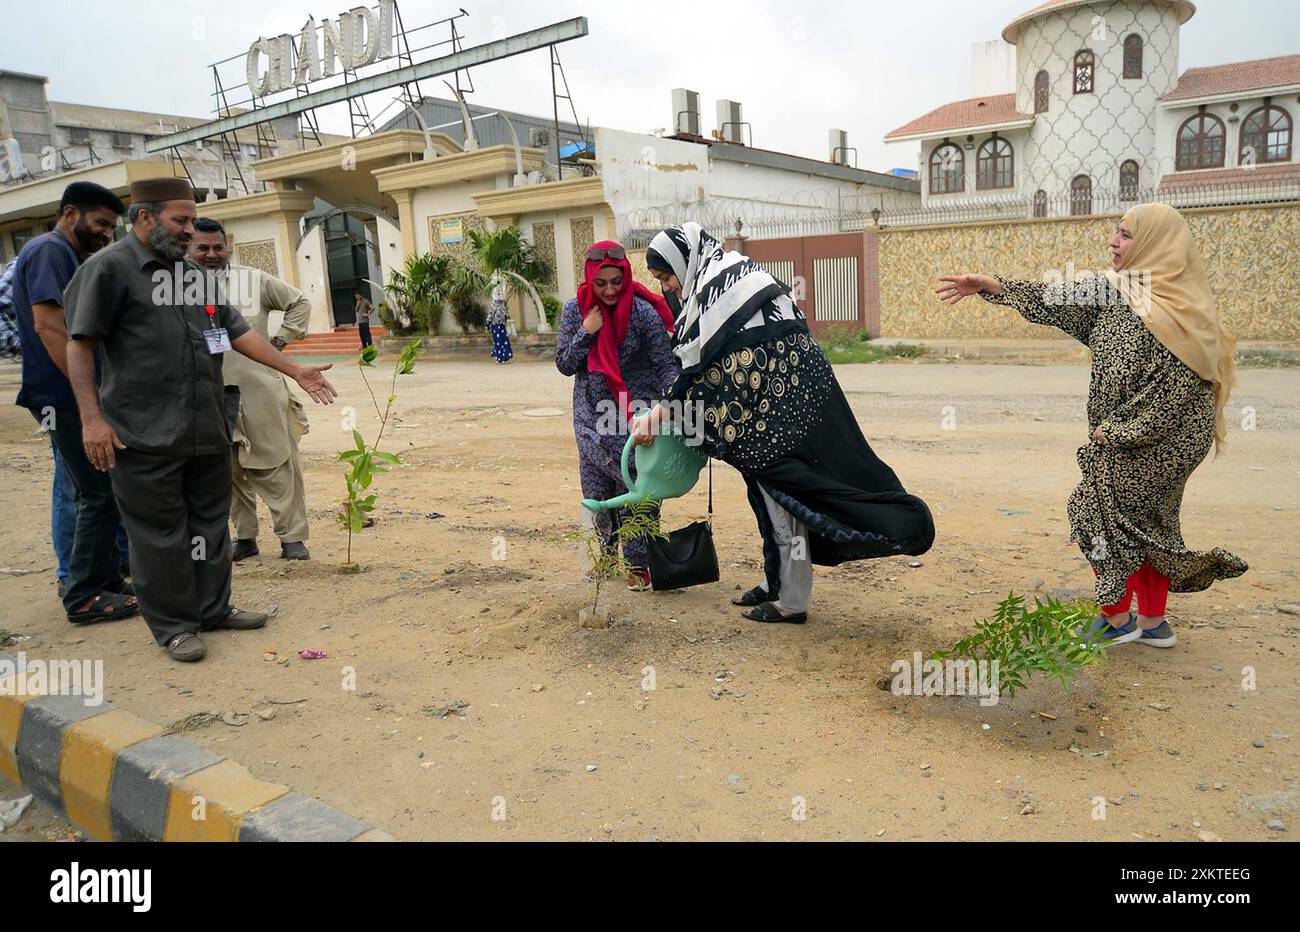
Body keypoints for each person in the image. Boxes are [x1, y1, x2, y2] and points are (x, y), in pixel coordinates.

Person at [936, 202, 1247, 648]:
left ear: (1156, 244)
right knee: (1146, 526)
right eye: (1115, 233)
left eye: (1124, 235)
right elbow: (1052, 298)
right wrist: (992, 286)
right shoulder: (1112, 292)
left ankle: (1117, 619)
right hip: (1123, 436)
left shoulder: (1185, 310)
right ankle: (1153, 624)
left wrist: (1117, 432)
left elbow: (1180, 394)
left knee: (1094, 515)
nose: (1113, 242)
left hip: (1163, 443)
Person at [62, 177, 337, 663]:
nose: (190, 231)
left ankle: (213, 609)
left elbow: (235, 332)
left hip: (206, 424)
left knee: (209, 525)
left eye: (192, 220)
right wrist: (91, 419)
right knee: (159, 535)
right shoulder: (108, 270)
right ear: (145, 218)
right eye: (181, 220)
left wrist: (295, 369)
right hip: (143, 432)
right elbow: (79, 345)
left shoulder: (193, 276)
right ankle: (172, 626)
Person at [636, 223, 935, 623]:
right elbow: (704, 368)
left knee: (784, 507)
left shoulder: (728, 288)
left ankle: (792, 603)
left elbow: (714, 371)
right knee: (764, 500)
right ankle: (775, 582)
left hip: (780, 422)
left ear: (684, 262)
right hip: (764, 420)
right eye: (659, 281)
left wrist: (663, 413)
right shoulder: (722, 283)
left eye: (667, 276)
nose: (667, 287)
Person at [11, 181, 137, 622]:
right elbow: (49, 326)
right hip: (61, 396)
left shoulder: (66, 254)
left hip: (65, 396)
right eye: (99, 223)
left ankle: (104, 582)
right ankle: (83, 595)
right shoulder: (49, 250)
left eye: (110, 227)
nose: (105, 233)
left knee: (96, 490)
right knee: (94, 493)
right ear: (70, 214)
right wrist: (91, 398)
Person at [189, 217, 313, 561]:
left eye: (218, 247)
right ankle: (245, 538)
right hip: (208, 391)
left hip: (258, 388)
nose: (212, 254)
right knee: (225, 468)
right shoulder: (174, 288)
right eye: (203, 248)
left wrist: (280, 341)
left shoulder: (252, 279)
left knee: (277, 462)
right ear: (187, 248)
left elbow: (299, 302)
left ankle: (292, 538)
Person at [556, 241, 679, 589]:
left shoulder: (642, 313)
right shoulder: (574, 312)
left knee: (638, 490)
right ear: (590, 279)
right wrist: (587, 331)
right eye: (602, 283)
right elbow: (565, 364)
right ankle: (607, 557)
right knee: (597, 490)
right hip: (591, 417)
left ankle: (640, 564)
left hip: (633, 417)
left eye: (616, 282)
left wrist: (665, 410)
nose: (610, 290)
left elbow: (666, 365)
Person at [487, 282, 514, 364]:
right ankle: (499, 357)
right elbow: (490, 314)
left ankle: (504, 357)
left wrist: (506, 318)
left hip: (502, 326)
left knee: (503, 341)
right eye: (497, 292)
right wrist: (487, 324)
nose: (498, 294)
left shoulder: (503, 305)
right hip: (495, 326)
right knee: (498, 341)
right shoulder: (493, 305)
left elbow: (505, 315)